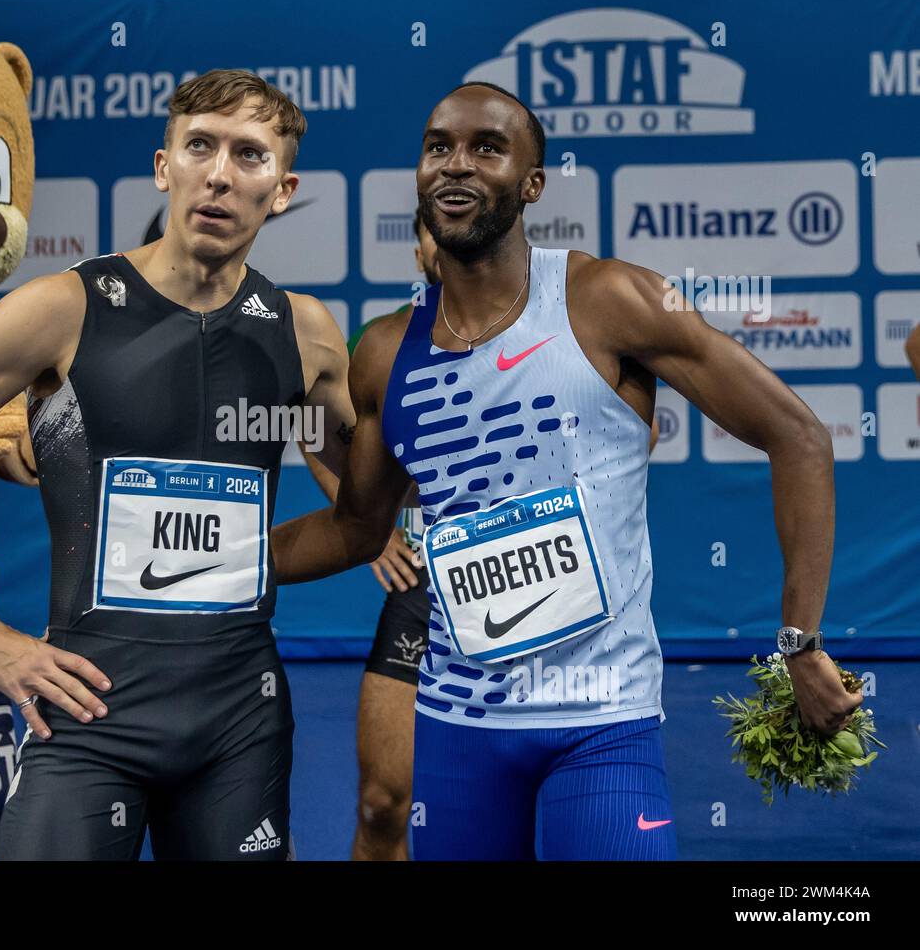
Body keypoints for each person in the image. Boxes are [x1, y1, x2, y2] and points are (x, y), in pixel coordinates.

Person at [271, 81, 861, 860]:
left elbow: (800, 438)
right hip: (457, 726)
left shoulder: (608, 299)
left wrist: (801, 642)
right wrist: (220, 568)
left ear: (532, 183)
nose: (456, 164)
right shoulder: (385, 352)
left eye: (487, 148)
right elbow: (355, 529)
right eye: (438, 146)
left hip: (602, 721)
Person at [0, 69, 355, 860]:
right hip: (86, 714)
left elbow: (363, 505)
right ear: (163, 167)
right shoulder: (65, 308)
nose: (219, 173)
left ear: (281, 190)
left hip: (240, 721)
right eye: (200, 147)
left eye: (248, 156)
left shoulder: (305, 333)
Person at [300, 215, 437, 860]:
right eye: (435, 230)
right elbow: (314, 426)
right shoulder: (385, 344)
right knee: (383, 801)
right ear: (418, 248)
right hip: (429, 593)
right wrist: (371, 526)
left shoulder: (552, 331)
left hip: (538, 593)